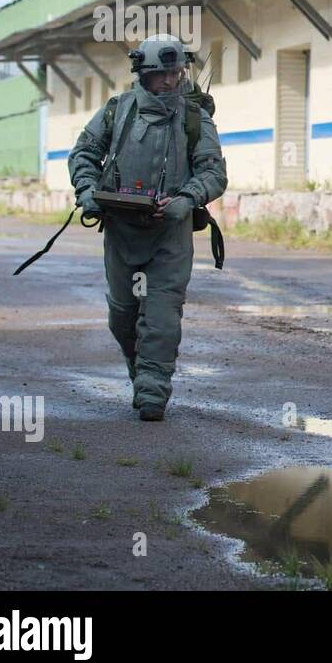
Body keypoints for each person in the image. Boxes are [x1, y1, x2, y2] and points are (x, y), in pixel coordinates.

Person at [67, 34, 227, 421]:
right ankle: (140, 371)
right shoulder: (116, 111)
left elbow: (213, 171)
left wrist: (186, 200)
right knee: (122, 314)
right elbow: (84, 153)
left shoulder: (194, 119)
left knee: (162, 316)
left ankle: (153, 392)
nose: (169, 81)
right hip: (121, 230)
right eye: (161, 74)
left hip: (170, 234)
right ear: (143, 74)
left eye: (175, 73)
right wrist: (88, 191)